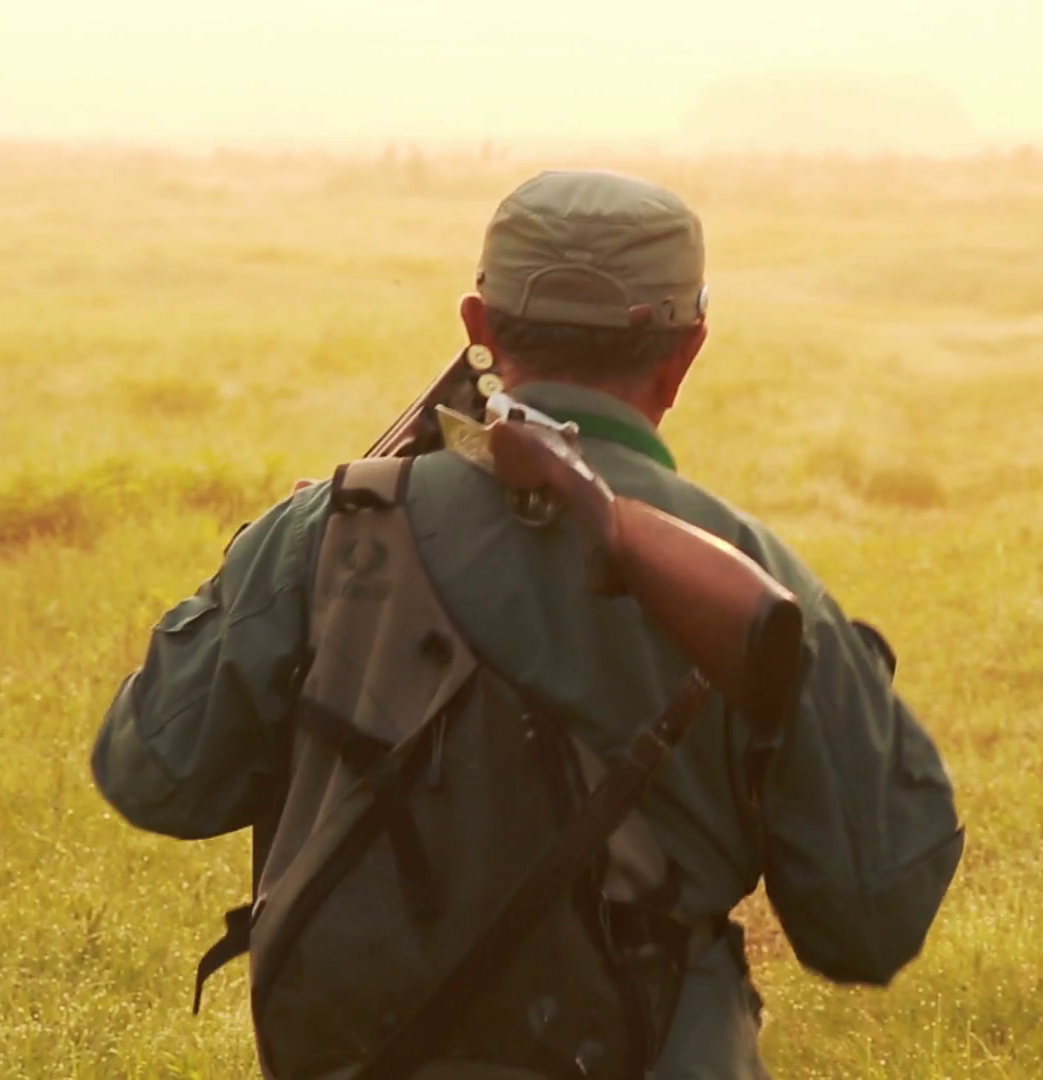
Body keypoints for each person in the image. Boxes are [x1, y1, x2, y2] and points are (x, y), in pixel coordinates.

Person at [92, 169, 964, 1079]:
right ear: (689, 348)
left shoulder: (331, 532)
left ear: (479, 326)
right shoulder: (760, 582)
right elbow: (872, 921)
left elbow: (156, 774)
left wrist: (265, 555)